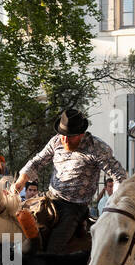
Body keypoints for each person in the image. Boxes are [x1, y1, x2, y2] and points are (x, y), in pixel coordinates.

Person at [16, 109, 127, 257]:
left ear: (81, 134)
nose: (65, 140)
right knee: (20, 227)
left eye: (71, 137)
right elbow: (36, 162)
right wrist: (21, 180)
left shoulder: (97, 147)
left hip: (74, 207)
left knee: (52, 252)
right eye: (63, 136)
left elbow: (119, 175)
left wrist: (116, 201)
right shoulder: (56, 141)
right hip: (49, 199)